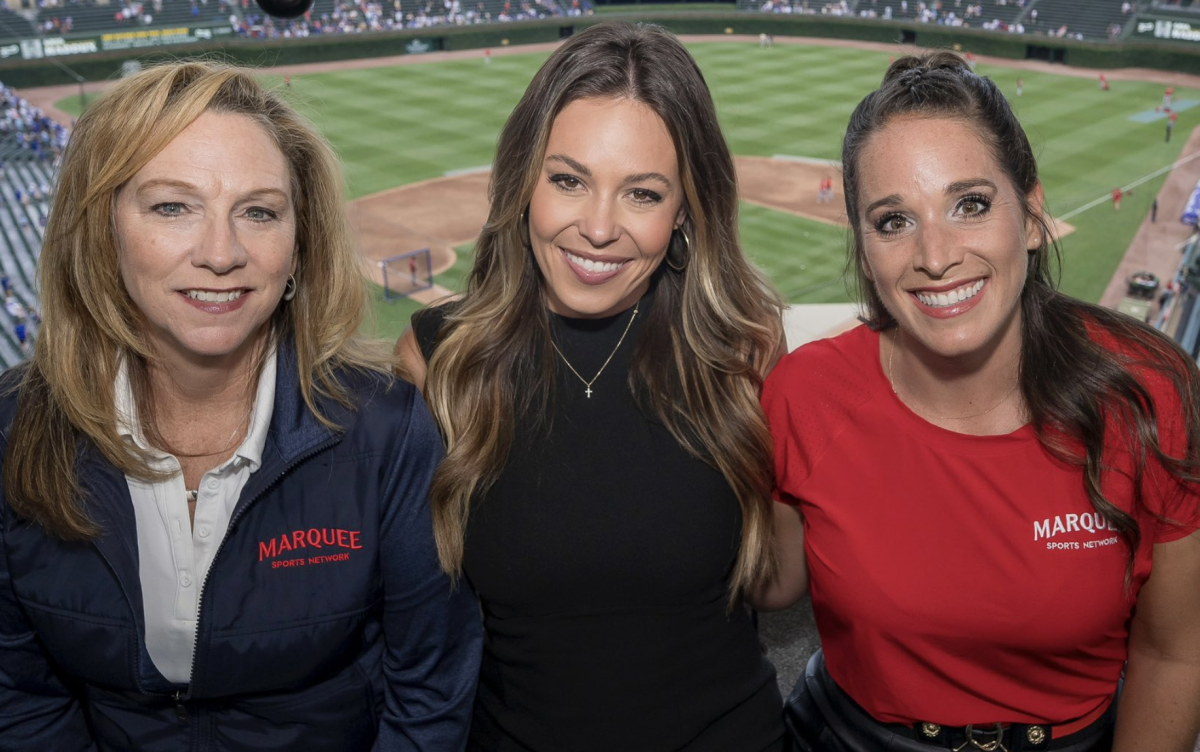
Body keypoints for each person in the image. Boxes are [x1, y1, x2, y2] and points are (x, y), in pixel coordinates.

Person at [0, 61, 481, 751]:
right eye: (173, 207)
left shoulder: (389, 430)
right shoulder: (15, 428)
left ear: (298, 246)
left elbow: (429, 693)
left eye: (259, 212)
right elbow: (20, 697)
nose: (221, 253)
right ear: (102, 232)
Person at [759, 52, 1200, 752]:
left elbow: (1174, 653)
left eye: (970, 204)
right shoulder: (804, 393)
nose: (936, 255)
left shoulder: (1150, 393)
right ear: (864, 249)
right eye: (893, 221)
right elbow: (768, 582)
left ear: (1032, 213)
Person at [395, 22, 786, 752]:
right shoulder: (439, 359)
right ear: (523, 182)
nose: (599, 228)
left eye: (642, 193)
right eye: (568, 181)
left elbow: (775, 579)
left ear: (684, 211)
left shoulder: (743, 348)